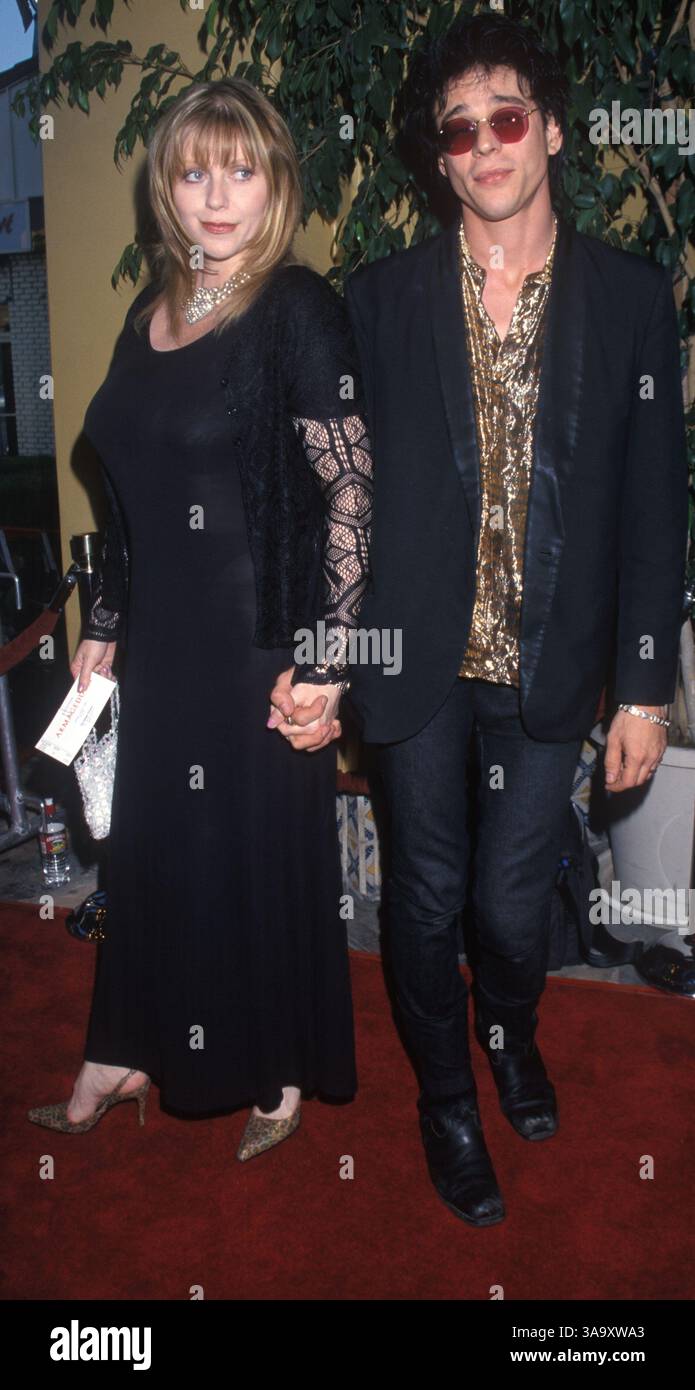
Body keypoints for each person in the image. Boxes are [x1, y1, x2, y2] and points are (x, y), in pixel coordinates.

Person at [343, 12, 688, 1225]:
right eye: (457, 129)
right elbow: (341, 501)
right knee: (424, 895)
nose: (483, 143)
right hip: (417, 664)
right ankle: (445, 1100)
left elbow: (652, 503)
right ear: (439, 159)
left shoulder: (629, 299)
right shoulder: (379, 300)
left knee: (506, 903)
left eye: (504, 117)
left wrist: (640, 687)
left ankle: (506, 1030)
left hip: (549, 664)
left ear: (546, 130)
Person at [28, 77, 373, 1163]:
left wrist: (327, 660)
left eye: (240, 170)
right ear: (164, 188)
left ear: (275, 185)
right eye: (192, 171)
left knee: (248, 855)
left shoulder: (296, 308)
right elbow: (125, 492)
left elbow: (352, 492)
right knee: (154, 851)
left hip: (257, 642)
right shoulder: (150, 312)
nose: (215, 196)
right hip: (164, 645)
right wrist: (107, 617)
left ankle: (277, 1065)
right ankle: (124, 1049)